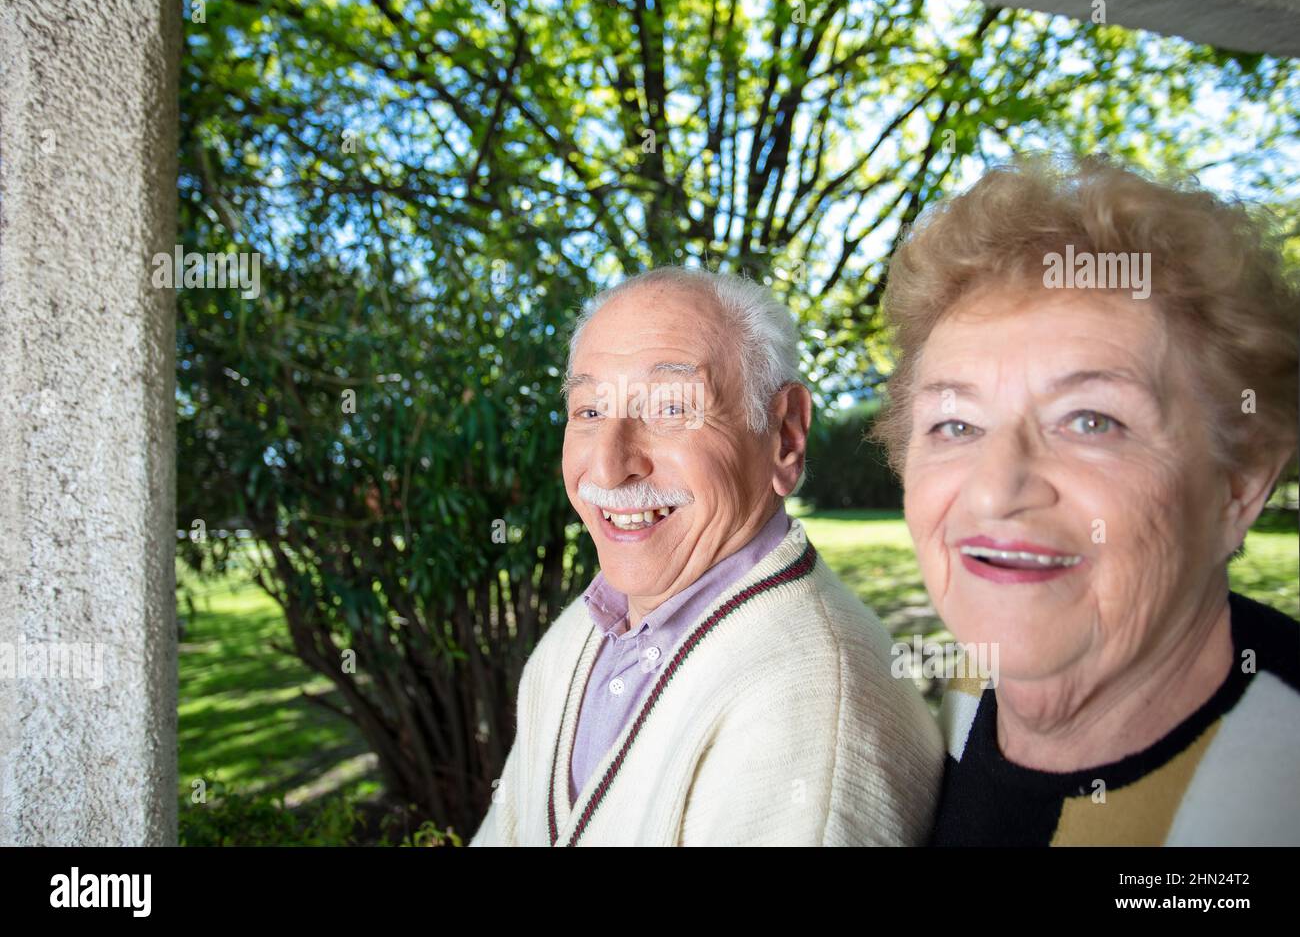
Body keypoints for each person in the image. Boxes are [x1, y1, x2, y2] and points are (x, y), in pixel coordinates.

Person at [872, 155, 1300, 845]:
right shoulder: (969, 684)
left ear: (1239, 484)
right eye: (955, 424)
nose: (994, 488)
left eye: (1091, 421)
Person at [471, 266, 942, 845]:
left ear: (785, 437)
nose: (609, 465)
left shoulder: (809, 715)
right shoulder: (580, 635)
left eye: (670, 407)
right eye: (590, 411)